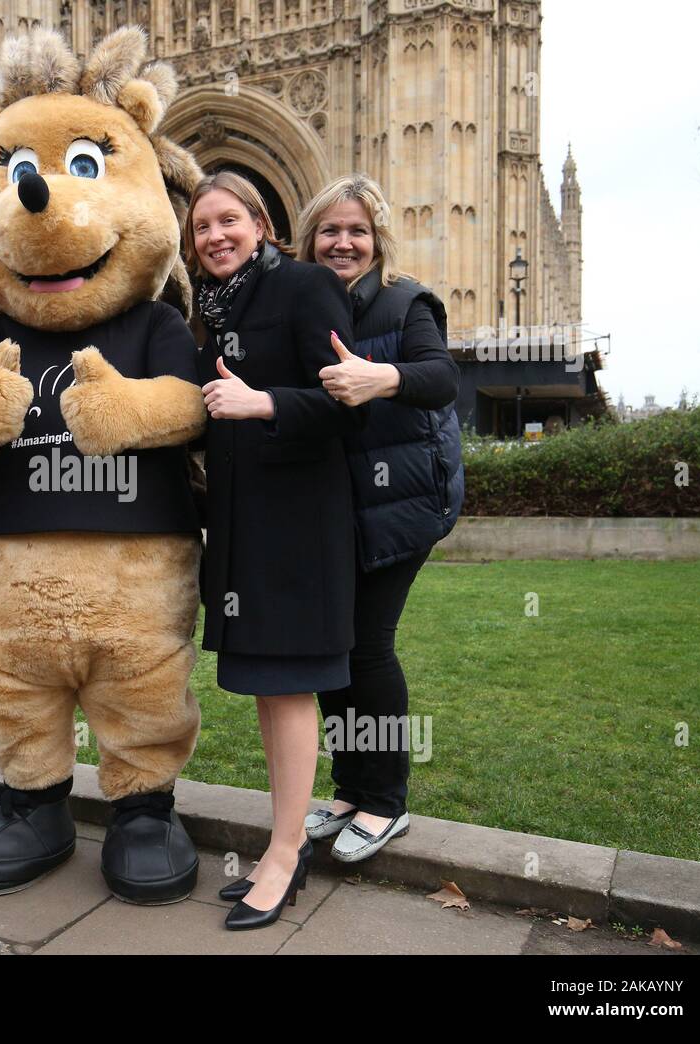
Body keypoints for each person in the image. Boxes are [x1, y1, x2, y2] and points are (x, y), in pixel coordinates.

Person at [189, 171, 363, 930]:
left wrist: (263, 403)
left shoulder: (304, 287)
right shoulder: (215, 305)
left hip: (297, 529)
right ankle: (278, 844)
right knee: (268, 689)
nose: (215, 236)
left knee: (290, 689)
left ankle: (287, 857)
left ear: (261, 223)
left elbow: (347, 402)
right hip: (241, 529)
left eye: (228, 220)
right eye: (201, 228)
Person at [297, 173, 462, 863]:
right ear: (311, 240)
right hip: (339, 503)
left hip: (405, 502)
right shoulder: (305, 306)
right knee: (335, 647)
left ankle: (386, 802)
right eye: (330, 231)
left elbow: (441, 377)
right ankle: (349, 788)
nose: (343, 242)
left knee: (368, 646)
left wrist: (381, 377)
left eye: (357, 231)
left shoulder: (403, 302)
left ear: (377, 240)